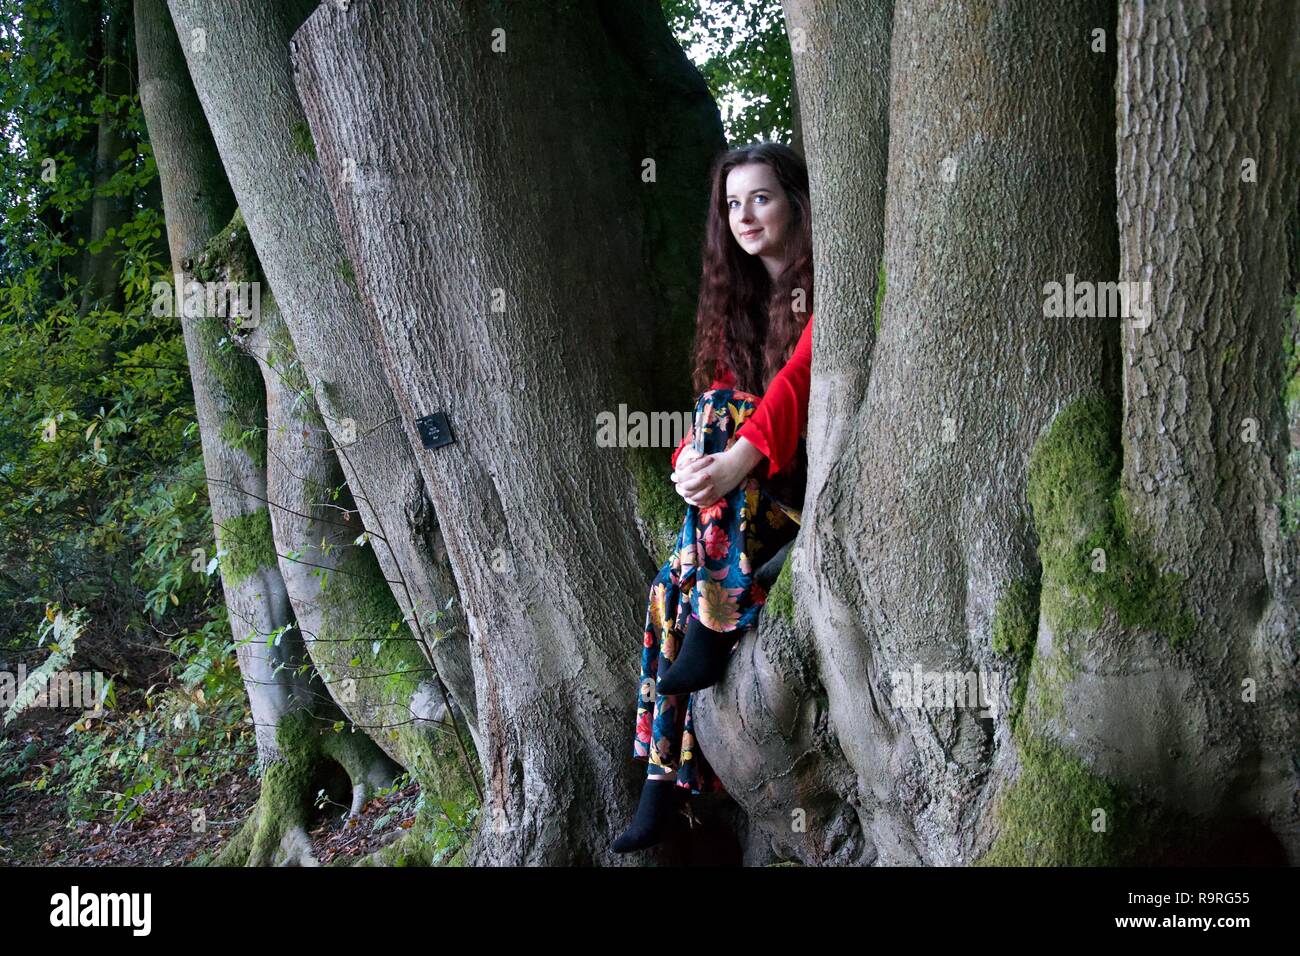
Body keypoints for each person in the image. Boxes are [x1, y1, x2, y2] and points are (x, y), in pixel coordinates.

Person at [613, 142, 815, 853]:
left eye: (760, 197)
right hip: (737, 511)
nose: (744, 215)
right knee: (670, 586)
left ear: (794, 199)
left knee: (732, 416)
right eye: (733, 204)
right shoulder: (735, 310)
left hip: (794, 496)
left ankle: (668, 765)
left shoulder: (826, 284)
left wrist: (735, 461)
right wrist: (689, 468)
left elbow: (799, 380)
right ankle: (662, 784)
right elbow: (710, 409)